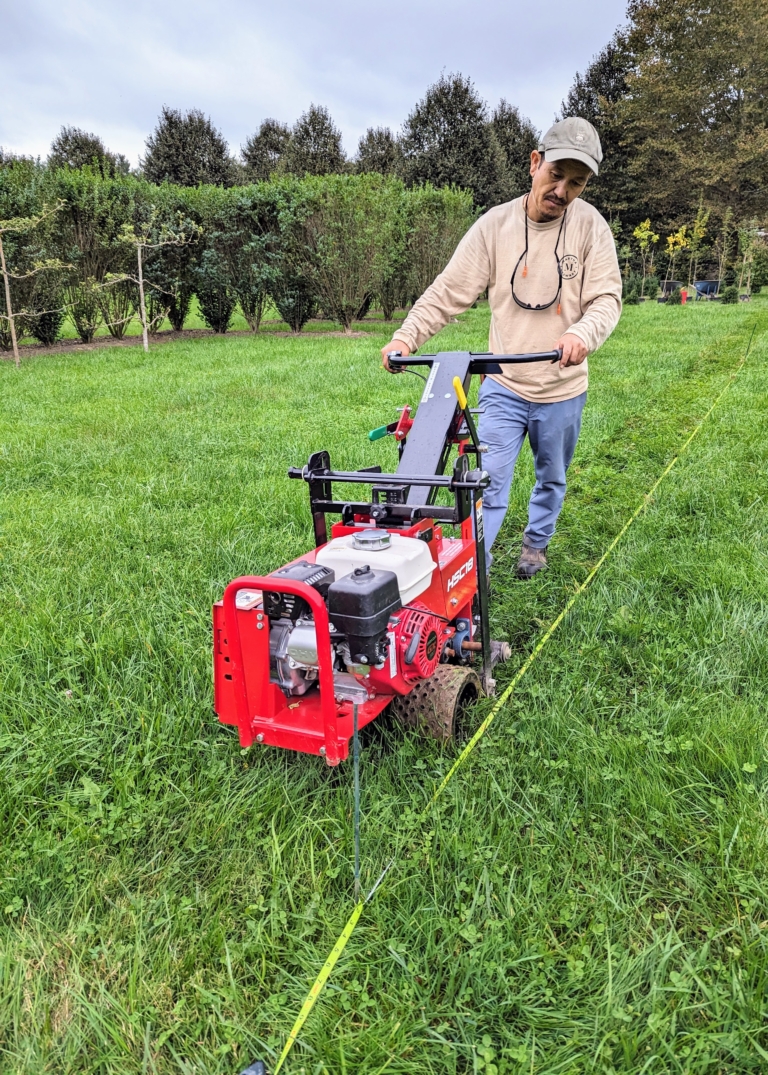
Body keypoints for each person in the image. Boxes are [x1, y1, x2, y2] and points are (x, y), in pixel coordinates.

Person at [381, 117, 622, 579]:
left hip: (562, 388)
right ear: (535, 163)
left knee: (552, 477)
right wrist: (405, 336)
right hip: (503, 384)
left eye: (577, 183)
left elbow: (606, 299)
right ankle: (473, 569)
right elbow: (448, 291)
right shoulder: (495, 226)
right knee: (486, 483)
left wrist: (581, 335)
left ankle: (536, 543)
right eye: (556, 175)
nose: (562, 190)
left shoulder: (591, 228)